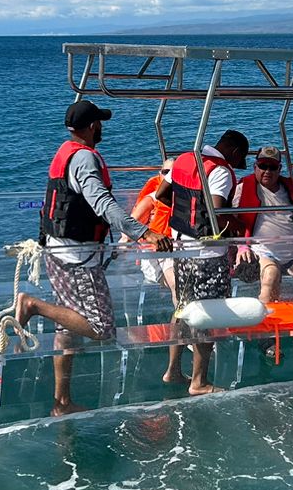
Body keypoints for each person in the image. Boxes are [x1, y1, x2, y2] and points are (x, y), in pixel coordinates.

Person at [20, 99, 167, 416]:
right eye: (99, 122)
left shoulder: (66, 153)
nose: (102, 127)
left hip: (56, 249)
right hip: (76, 257)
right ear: (90, 127)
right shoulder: (85, 159)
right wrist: (145, 233)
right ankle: (33, 305)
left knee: (68, 327)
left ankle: (61, 402)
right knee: (101, 328)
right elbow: (102, 203)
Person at [163, 129, 250, 393]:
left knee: (182, 308)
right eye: (239, 160)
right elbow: (216, 212)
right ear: (234, 152)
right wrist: (234, 225)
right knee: (207, 314)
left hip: (181, 247)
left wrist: (187, 219)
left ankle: (173, 370)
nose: (236, 166)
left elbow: (162, 195)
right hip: (207, 253)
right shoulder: (220, 171)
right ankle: (199, 382)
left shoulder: (185, 159)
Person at [234, 146, 293, 304]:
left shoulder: (290, 190)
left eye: (272, 167)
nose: (267, 171)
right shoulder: (243, 189)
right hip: (262, 251)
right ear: (255, 167)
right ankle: (266, 320)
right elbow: (232, 220)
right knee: (270, 275)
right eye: (263, 166)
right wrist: (242, 246)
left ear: (279, 169)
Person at [129, 159, 177, 300]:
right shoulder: (151, 199)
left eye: (173, 173)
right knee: (177, 284)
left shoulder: (183, 198)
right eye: (165, 172)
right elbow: (130, 224)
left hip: (178, 248)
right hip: (157, 252)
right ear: (159, 174)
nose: (169, 176)